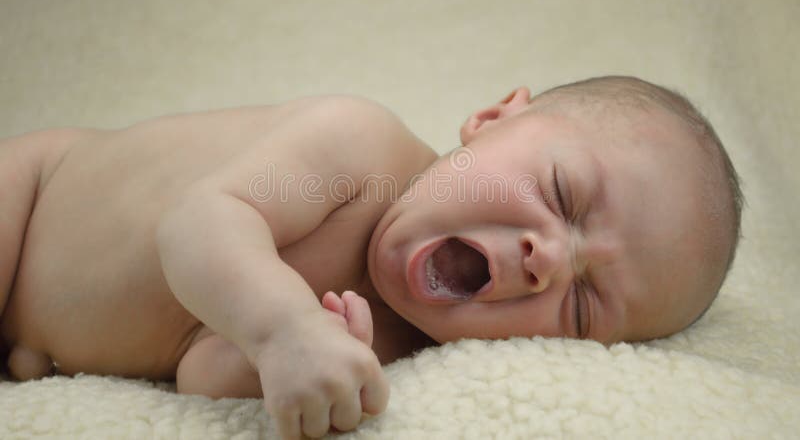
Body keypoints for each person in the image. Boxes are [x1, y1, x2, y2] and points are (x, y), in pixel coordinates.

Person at [0, 76, 742, 439]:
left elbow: (198, 369)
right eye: (562, 193)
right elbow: (198, 223)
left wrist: (294, 367)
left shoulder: (389, 343)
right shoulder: (359, 150)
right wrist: (285, 328)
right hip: (32, 196)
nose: (546, 260)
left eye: (580, 306)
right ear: (490, 120)